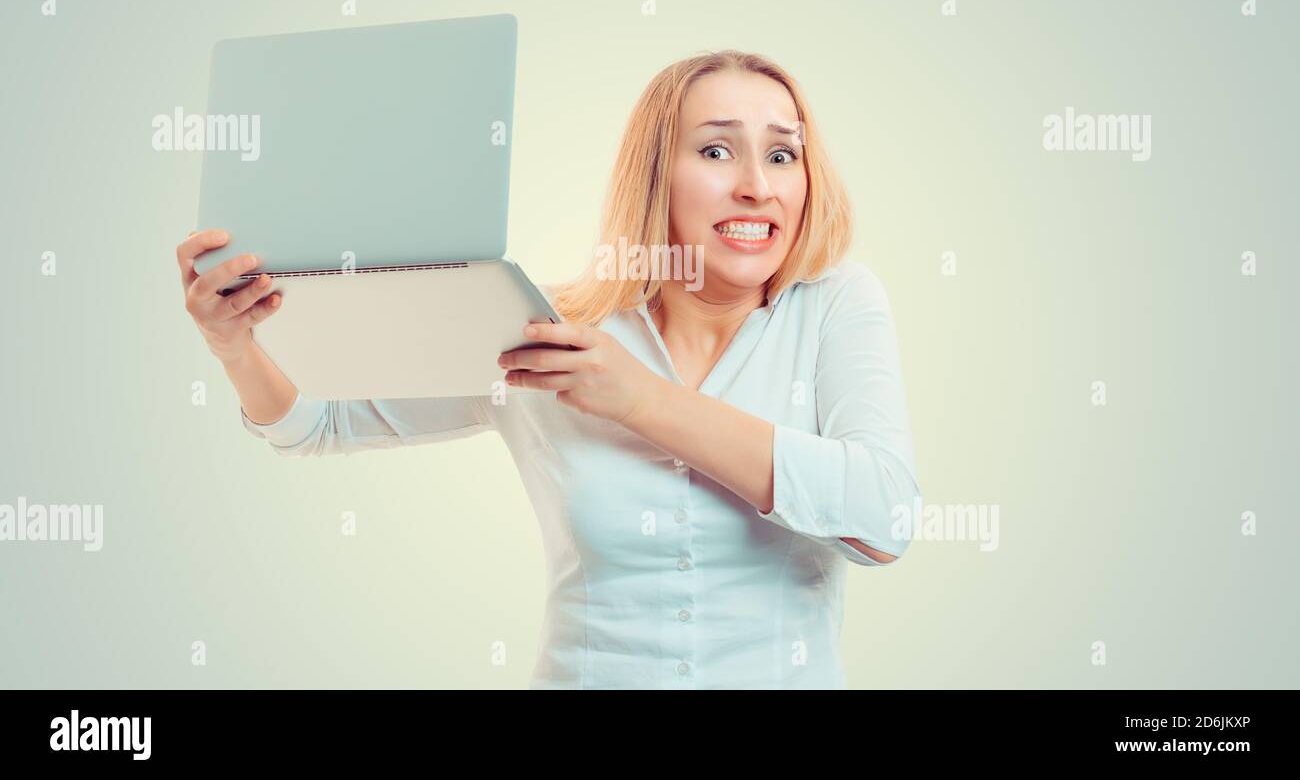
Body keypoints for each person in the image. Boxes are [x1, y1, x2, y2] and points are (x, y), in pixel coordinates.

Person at [176, 49, 921, 689]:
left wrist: (639, 399)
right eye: (717, 151)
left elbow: (884, 517)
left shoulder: (837, 307)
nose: (757, 184)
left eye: (782, 154)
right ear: (656, 174)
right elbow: (317, 422)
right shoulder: (547, 335)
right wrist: (235, 347)